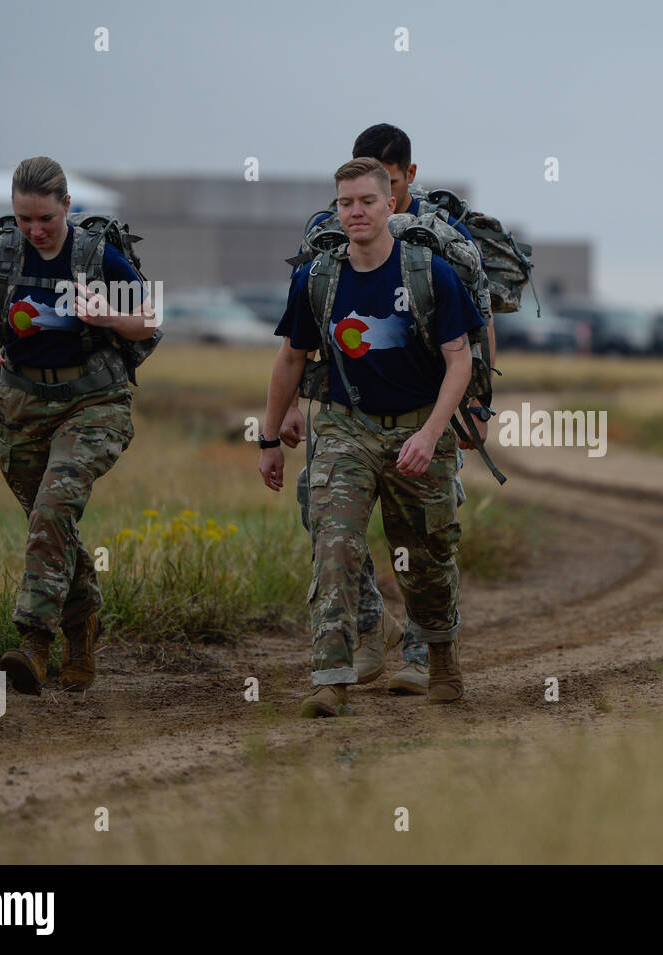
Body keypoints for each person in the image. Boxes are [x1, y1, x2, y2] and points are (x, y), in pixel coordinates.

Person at [258, 157, 482, 717]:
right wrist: (267, 436)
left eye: (366, 201)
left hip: (418, 429)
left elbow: (460, 362)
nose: (355, 212)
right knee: (333, 542)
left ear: (390, 205)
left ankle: (441, 656)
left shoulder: (429, 274)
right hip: (345, 429)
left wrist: (432, 435)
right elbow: (290, 357)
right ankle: (330, 677)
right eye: (345, 202)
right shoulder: (319, 277)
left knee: (425, 557)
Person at [0, 156, 157, 695]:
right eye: (24, 219)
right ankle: (82, 624)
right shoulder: (2, 256)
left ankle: (34, 643)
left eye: (45, 217)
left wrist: (106, 316)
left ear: (67, 206)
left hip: (93, 405)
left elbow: (150, 321)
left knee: (53, 508)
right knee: (50, 525)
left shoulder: (97, 256)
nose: (36, 230)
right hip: (20, 408)